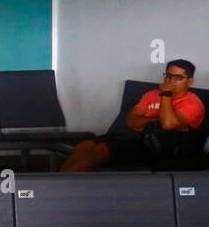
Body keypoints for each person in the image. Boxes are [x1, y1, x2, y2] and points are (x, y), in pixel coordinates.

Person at [61, 60, 204, 172]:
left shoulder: (193, 103)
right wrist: (156, 120)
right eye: (168, 75)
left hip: (159, 146)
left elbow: (167, 125)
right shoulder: (150, 95)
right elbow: (131, 121)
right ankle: (58, 187)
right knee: (83, 146)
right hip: (132, 137)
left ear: (190, 81)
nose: (171, 80)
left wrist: (166, 94)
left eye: (178, 77)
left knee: (99, 151)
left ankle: (61, 191)